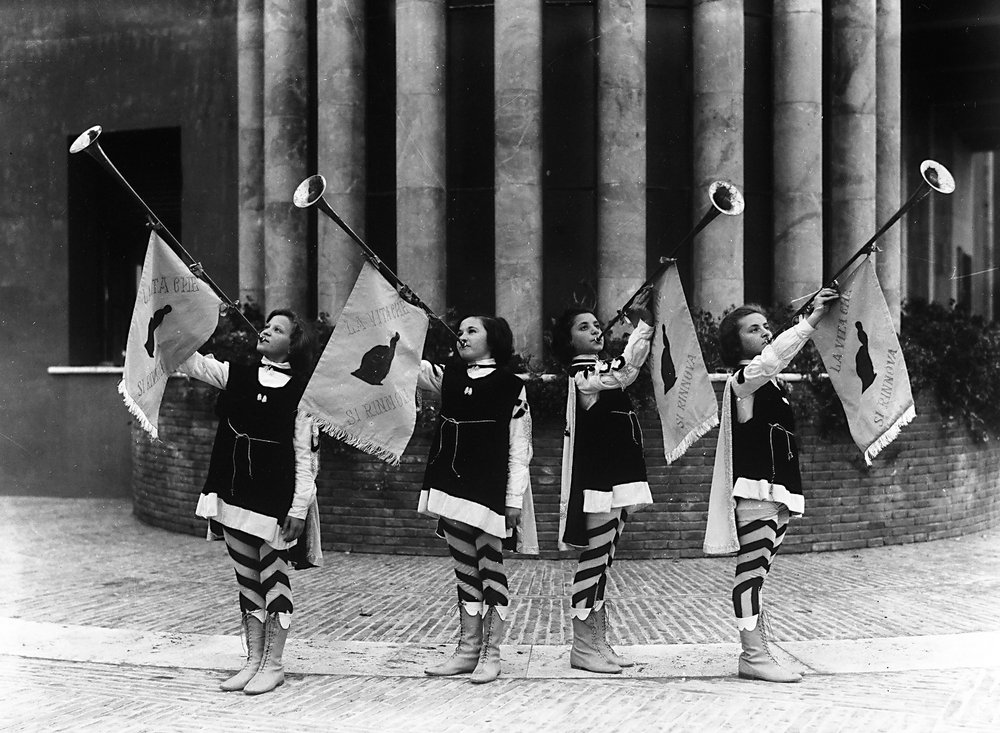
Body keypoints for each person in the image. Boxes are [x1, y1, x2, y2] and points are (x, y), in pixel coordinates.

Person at [180, 309, 320, 695]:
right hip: (231, 488)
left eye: (278, 329)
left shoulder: (304, 392)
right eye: (267, 325)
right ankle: (252, 661)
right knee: (246, 580)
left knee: (273, 578)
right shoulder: (236, 374)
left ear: (293, 344)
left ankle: (273, 665)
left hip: (273, 497)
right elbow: (191, 363)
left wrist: (298, 509)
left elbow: (307, 457)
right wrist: (169, 326)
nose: (266, 330)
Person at [704, 288, 840, 683]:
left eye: (766, 327)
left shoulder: (771, 382)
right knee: (750, 574)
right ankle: (753, 656)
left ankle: (756, 652)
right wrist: (809, 320)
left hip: (777, 492)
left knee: (758, 575)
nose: (764, 333)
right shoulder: (742, 379)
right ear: (735, 342)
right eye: (753, 329)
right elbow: (772, 358)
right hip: (757, 494)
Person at [418, 315, 537, 684]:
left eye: (472, 331)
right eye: (461, 330)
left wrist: (513, 499)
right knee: (465, 572)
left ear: (494, 339)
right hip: (450, 484)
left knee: (490, 569)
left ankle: (492, 653)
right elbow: (405, 363)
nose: (462, 335)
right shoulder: (447, 376)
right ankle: (468, 650)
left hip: (489, 490)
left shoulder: (511, 385)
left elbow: (520, 447)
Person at [550, 290, 655, 674]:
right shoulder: (584, 375)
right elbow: (627, 369)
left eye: (596, 325)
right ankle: (582, 646)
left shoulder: (597, 370)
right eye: (584, 327)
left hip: (618, 478)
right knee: (593, 561)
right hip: (599, 483)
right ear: (569, 340)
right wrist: (643, 327)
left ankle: (597, 642)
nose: (595, 330)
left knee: (604, 561)